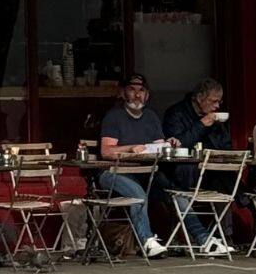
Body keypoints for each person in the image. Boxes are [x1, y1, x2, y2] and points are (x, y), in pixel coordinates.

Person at [98, 73, 170, 258]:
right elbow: (106, 151)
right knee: (138, 194)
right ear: (123, 93)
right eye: (132, 90)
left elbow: (158, 146)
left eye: (141, 91)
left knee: (175, 192)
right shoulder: (114, 117)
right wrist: (132, 149)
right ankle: (147, 241)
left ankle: (200, 238)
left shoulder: (151, 117)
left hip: (145, 171)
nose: (137, 95)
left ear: (147, 95)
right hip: (114, 172)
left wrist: (170, 144)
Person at [158, 77, 233, 254]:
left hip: (209, 172)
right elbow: (176, 145)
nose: (217, 106)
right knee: (183, 179)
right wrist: (201, 125)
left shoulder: (217, 121)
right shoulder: (176, 113)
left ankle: (224, 236)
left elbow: (226, 146)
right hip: (180, 174)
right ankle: (205, 238)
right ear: (199, 98)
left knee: (228, 179)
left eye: (219, 102)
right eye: (213, 101)